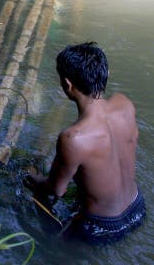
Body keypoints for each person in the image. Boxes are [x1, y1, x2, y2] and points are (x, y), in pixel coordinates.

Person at [24, 42, 145, 243]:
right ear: (107, 73)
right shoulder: (125, 105)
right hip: (138, 207)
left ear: (68, 85)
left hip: (101, 226)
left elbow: (57, 190)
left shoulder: (73, 138)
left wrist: (30, 175)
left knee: (52, 251)